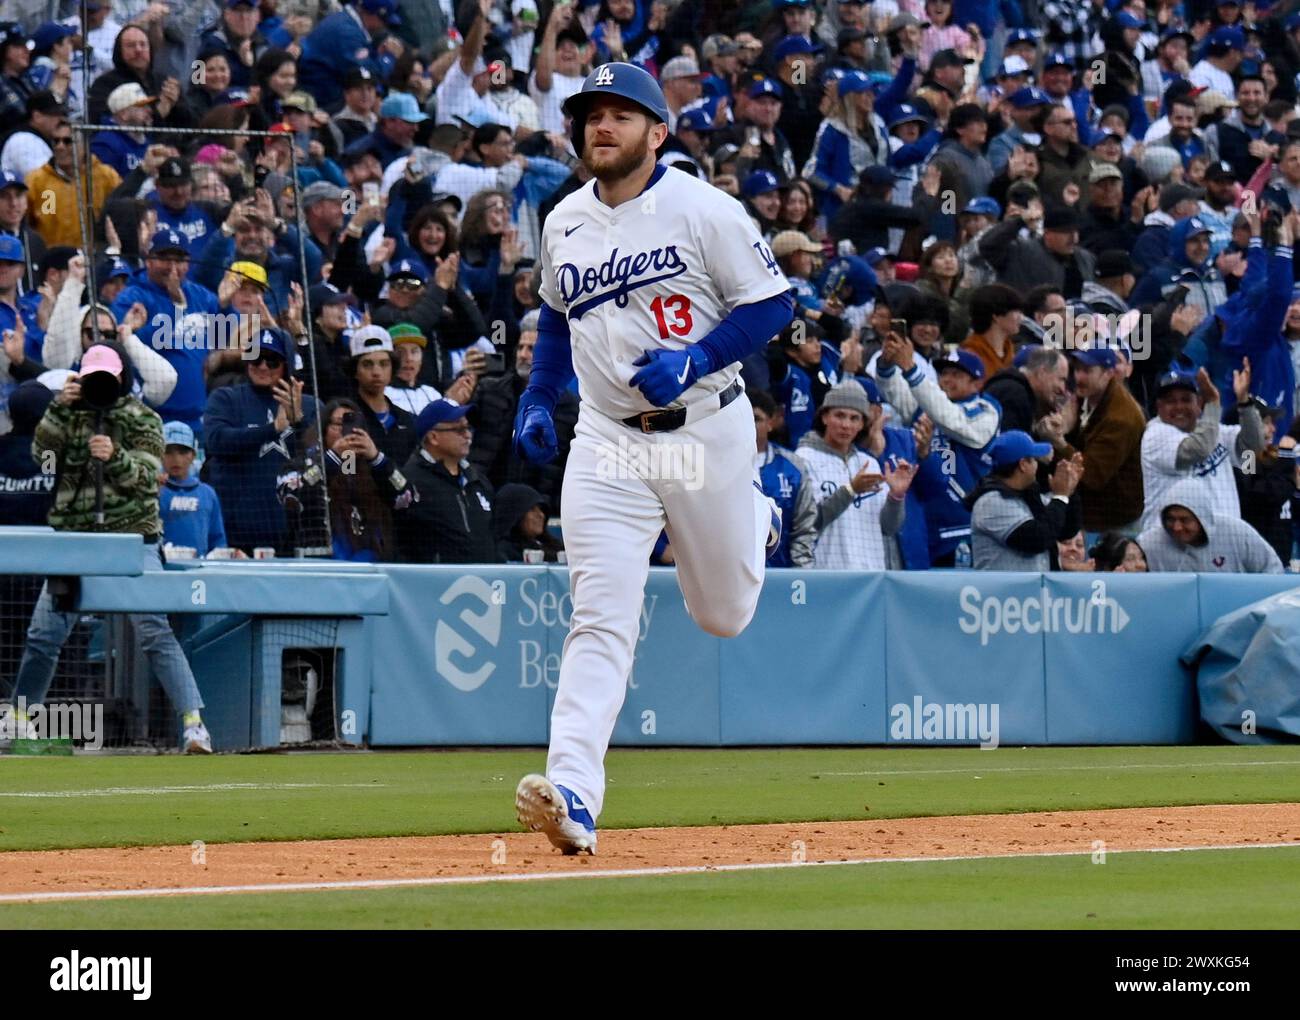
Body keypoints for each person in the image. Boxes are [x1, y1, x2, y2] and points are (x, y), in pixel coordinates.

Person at [510, 64, 794, 855]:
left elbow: (775, 303)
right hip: (607, 439)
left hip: (705, 427)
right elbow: (557, 316)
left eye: (621, 114)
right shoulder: (563, 219)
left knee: (724, 614)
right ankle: (573, 794)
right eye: (591, 114)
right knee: (600, 617)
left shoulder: (705, 210)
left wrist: (699, 358)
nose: (602, 125)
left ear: (657, 132)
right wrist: (539, 393)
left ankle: (756, 516)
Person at [8, 340, 211, 752]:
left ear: (120, 377)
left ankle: (193, 723)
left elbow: (149, 477)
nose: (98, 384)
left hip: (131, 538)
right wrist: (57, 410)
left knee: (154, 630)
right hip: (76, 541)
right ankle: (17, 719)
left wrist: (115, 457)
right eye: (90, 377)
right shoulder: (66, 413)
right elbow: (42, 461)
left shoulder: (143, 418)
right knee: (43, 634)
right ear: (81, 377)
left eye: (106, 377)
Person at [202, 327, 318, 553]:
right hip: (236, 533)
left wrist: (299, 422)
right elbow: (216, 441)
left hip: (296, 535)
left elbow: (325, 459)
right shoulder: (225, 397)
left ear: (287, 365)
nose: (263, 366)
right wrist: (272, 429)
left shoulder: (310, 406)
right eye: (256, 358)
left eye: (273, 360)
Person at [796, 380, 915, 569]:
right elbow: (809, 523)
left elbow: (889, 527)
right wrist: (851, 490)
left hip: (870, 579)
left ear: (862, 424)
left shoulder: (869, 463)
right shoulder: (803, 459)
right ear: (824, 417)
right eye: (839, 415)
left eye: (854, 418)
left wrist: (896, 497)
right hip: (826, 576)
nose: (846, 425)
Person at [1140, 366, 1264, 530]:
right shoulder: (1155, 434)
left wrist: (1244, 402)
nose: (1179, 407)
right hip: (1171, 543)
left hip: (1222, 540)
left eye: (1185, 399)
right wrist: (1213, 404)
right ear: (1159, 406)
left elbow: (1253, 447)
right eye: (1170, 401)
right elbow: (1199, 449)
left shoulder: (1213, 429)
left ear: (1198, 403)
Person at [1044, 347, 1148, 536]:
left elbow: (1092, 475)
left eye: (1088, 371)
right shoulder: (1085, 398)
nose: (1079, 377)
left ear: (1108, 374)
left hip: (1113, 523)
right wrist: (1067, 427)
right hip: (1091, 514)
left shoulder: (1121, 418)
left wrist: (1059, 442)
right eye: (1077, 369)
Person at [394, 398, 499, 564]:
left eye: (468, 427)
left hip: (483, 584)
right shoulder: (411, 482)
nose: (468, 435)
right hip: (436, 585)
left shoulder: (477, 480)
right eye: (459, 429)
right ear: (433, 437)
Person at [968, 430, 1085, 571]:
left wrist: (1069, 492)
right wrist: (1060, 497)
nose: (1037, 465)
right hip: (1002, 592)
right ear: (1023, 464)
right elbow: (1038, 539)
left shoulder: (1029, 497)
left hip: (1032, 592)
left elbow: (1066, 530)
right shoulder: (992, 502)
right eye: (1034, 459)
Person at [1137, 478, 1284, 573]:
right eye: (1170, 519)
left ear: (1202, 517)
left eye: (1185, 520)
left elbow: (1272, 569)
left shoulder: (1237, 532)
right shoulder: (1150, 543)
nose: (1177, 527)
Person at [750, 387, 816, 568]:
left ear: (771, 423)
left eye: (756, 418)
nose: (749, 424)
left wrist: (801, 571)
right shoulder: (720, 464)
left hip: (781, 575)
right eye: (744, 417)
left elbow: (804, 526)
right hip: (731, 575)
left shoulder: (793, 466)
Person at [157, 420, 229, 556]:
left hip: (199, 572)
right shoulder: (152, 491)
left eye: (183, 452)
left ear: (193, 455)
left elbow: (218, 541)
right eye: (168, 452)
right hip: (161, 569)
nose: (176, 459)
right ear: (159, 454)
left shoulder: (207, 494)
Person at [494, 483, 565, 562]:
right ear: (516, 515)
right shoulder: (505, 552)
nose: (541, 515)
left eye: (541, 509)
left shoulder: (555, 546)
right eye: (532, 509)